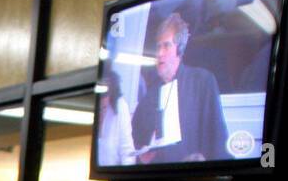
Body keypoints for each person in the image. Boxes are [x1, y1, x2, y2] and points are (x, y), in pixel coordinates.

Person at [131, 13, 230, 163]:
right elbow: (135, 140)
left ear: (180, 48)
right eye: (158, 47)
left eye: (166, 45)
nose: (159, 53)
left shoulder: (202, 82)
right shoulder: (150, 95)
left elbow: (217, 136)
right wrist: (141, 157)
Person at [96, 68, 137, 167]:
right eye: (99, 109)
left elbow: (127, 153)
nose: (101, 113)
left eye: (104, 108)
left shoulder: (120, 107)